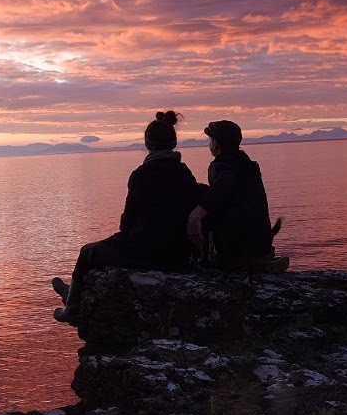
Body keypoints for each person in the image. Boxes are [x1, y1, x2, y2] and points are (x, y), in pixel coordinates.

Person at [52, 111, 200, 324]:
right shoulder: (185, 173)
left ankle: (72, 309)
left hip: (147, 254)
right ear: (173, 143)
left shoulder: (142, 175)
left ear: (147, 143)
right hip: (177, 254)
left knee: (87, 253)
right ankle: (71, 294)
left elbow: (127, 222)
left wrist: (122, 240)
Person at [186, 120, 282, 271]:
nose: (209, 144)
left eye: (210, 140)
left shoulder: (220, 166)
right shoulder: (248, 166)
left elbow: (227, 183)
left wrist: (196, 215)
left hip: (236, 255)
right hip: (261, 248)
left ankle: (203, 261)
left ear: (216, 143)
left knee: (196, 204)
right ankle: (262, 262)